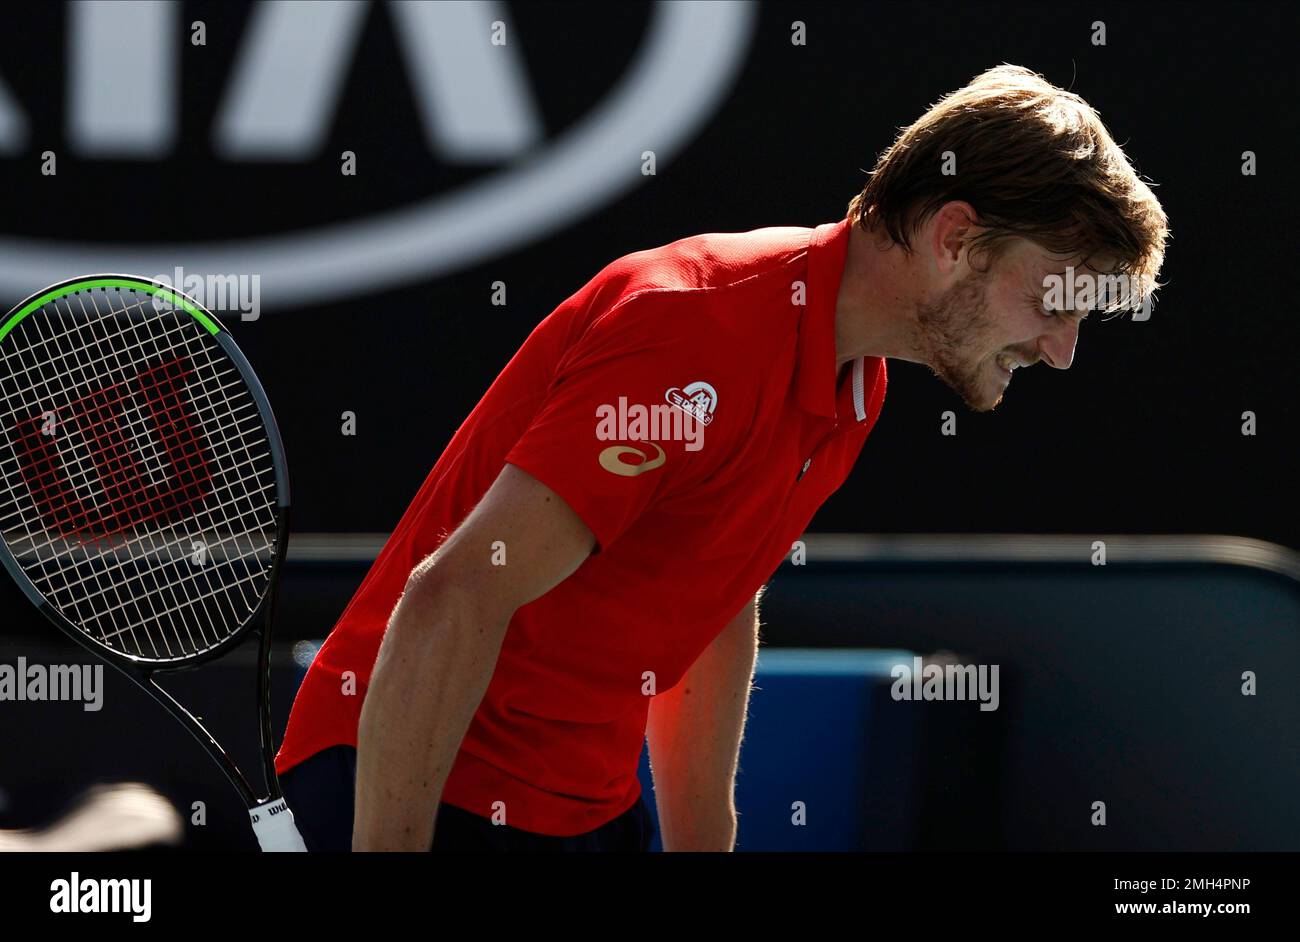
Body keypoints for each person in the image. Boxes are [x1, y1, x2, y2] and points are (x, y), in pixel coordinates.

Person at [275, 64, 1168, 852]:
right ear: (956, 240)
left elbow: (713, 594)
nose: (1063, 350)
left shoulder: (856, 383)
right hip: (411, 790)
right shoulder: (693, 333)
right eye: (1056, 300)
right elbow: (456, 591)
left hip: (583, 806)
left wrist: (706, 842)